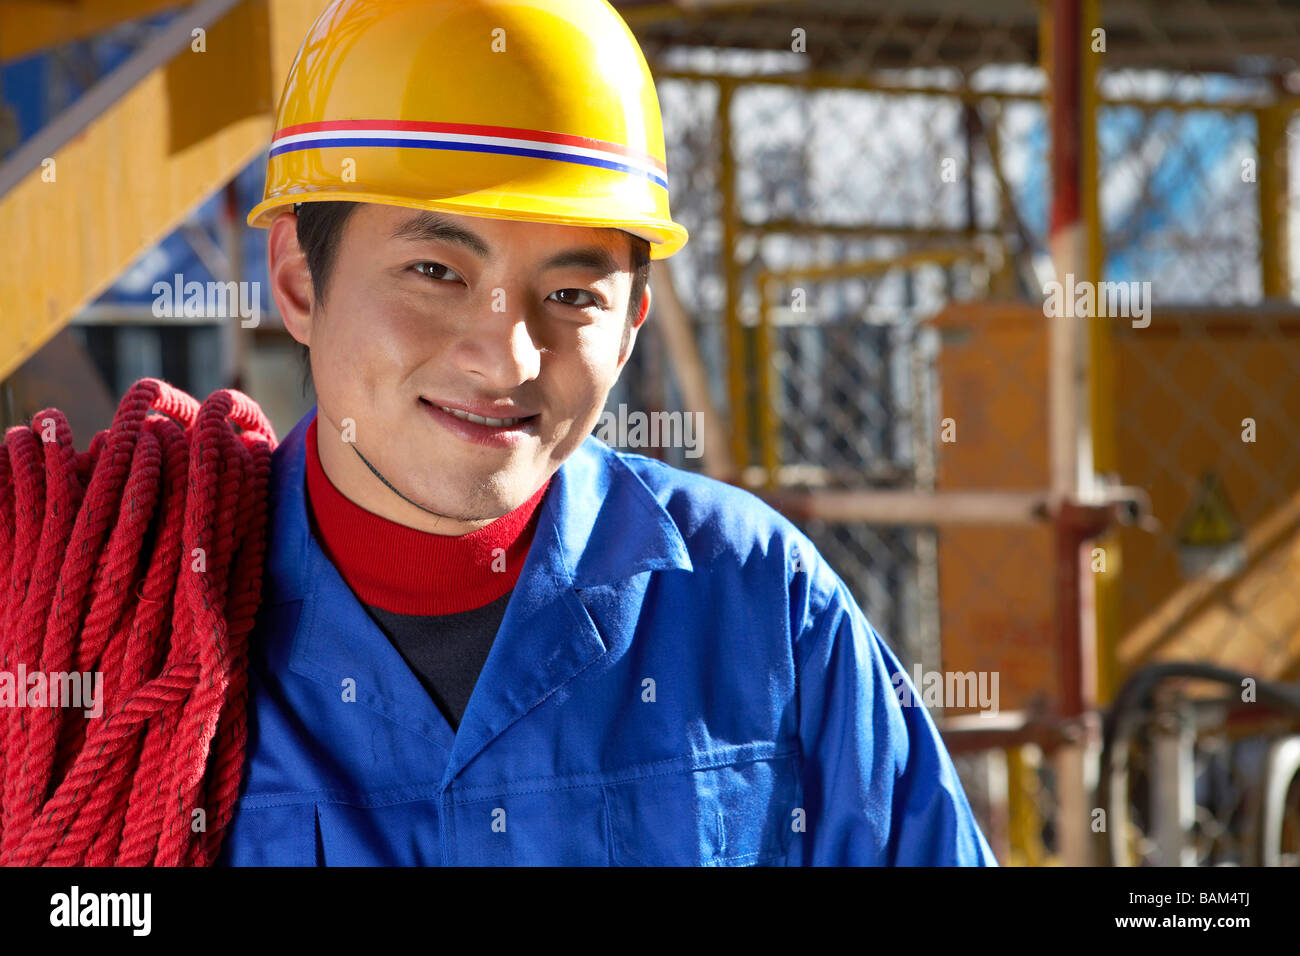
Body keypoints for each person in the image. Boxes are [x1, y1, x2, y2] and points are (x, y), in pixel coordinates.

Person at [218, 0, 997, 866]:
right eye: (435, 271)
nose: (507, 360)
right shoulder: (154, 625)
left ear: (630, 325)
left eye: (572, 295)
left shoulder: (761, 604)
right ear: (296, 279)